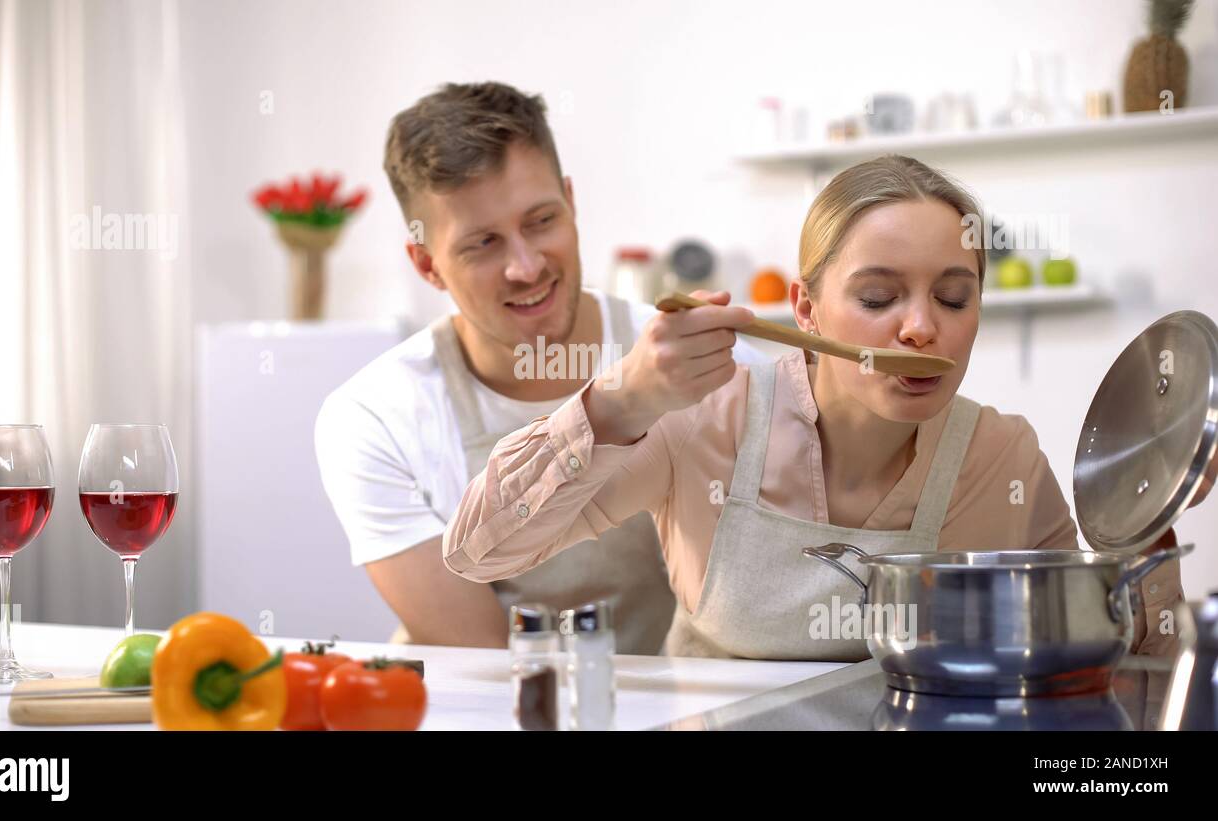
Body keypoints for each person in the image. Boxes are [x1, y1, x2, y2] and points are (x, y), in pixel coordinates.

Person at [443, 154, 1184, 660]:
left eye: (954, 296)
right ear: (806, 308)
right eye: (877, 296)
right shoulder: (703, 420)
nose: (922, 326)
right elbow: (479, 552)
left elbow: (1111, 658)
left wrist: (1145, 507)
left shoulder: (1000, 455)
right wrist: (618, 400)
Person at [314, 81, 768, 652]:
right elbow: (479, 658)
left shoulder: (712, 366)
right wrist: (622, 403)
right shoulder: (374, 417)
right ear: (427, 264)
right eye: (483, 243)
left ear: (571, 202)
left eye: (541, 221)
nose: (525, 267)